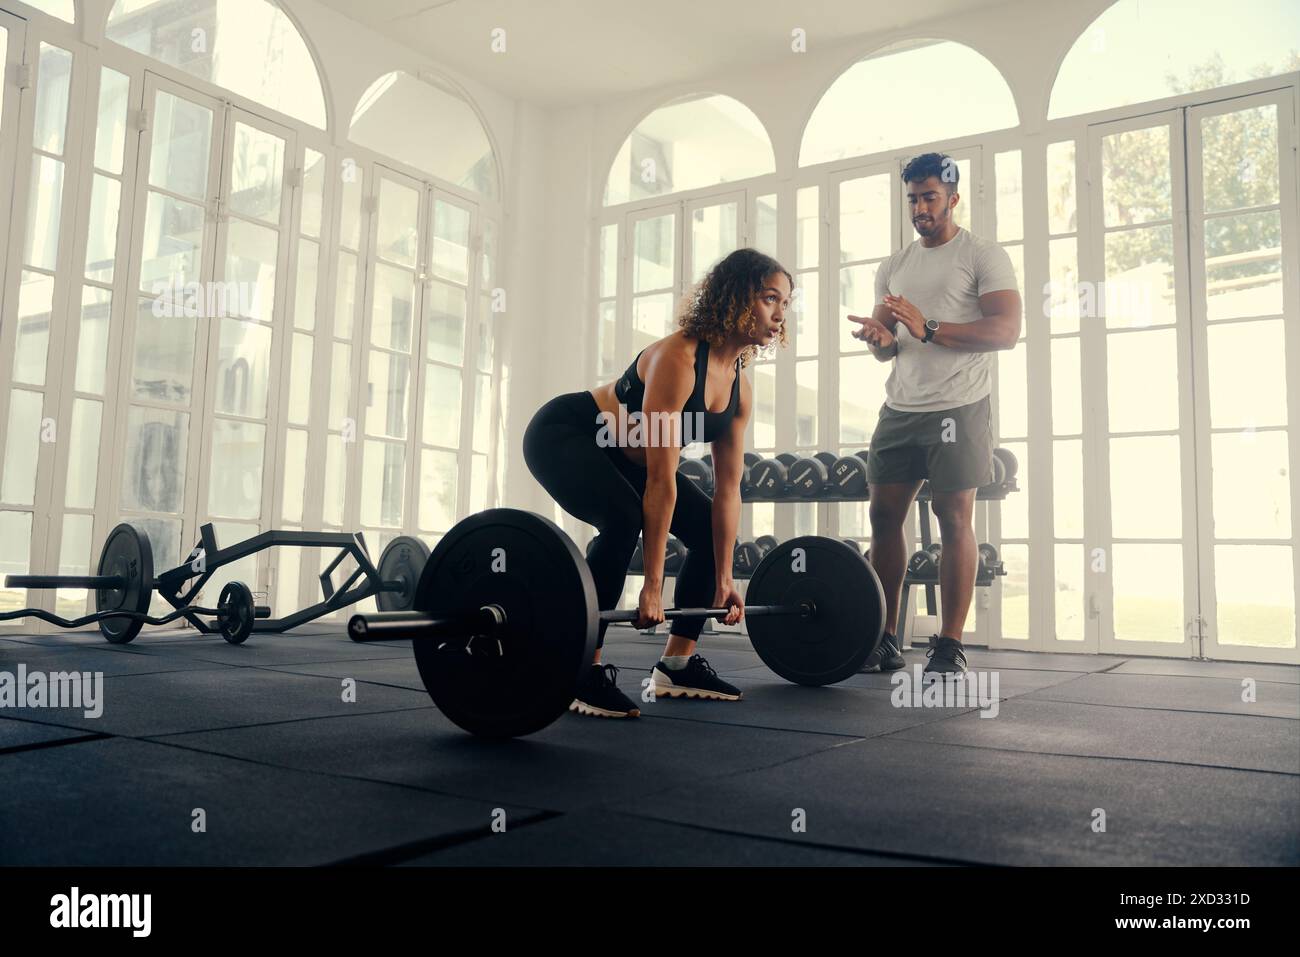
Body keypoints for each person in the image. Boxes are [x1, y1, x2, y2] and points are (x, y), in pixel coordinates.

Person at [523, 249, 792, 717]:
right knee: (623, 518)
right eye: (771, 298)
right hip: (568, 434)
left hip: (630, 459)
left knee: (709, 527)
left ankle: (677, 663)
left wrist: (726, 579)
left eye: (785, 303)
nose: (779, 314)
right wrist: (651, 586)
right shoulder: (678, 359)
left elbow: (729, 489)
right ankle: (581, 668)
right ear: (737, 296)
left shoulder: (740, 386)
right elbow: (662, 479)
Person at [848, 152, 1023, 679]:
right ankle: (884, 637)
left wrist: (928, 328)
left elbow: (1005, 332)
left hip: (959, 406)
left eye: (929, 196)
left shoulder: (982, 256)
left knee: (953, 520)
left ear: (952, 196)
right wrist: (880, 340)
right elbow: (889, 345)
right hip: (901, 406)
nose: (920, 207)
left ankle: (949, 643)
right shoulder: (895, 265)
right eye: (912, 198)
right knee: (883, 520)